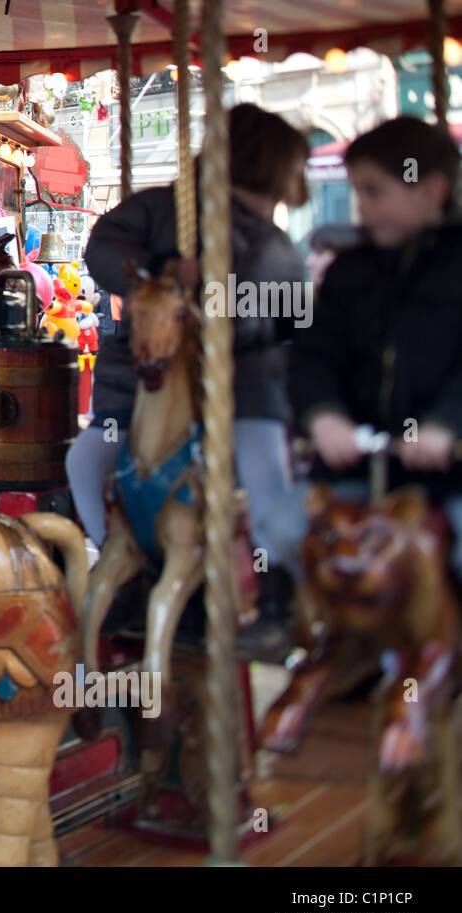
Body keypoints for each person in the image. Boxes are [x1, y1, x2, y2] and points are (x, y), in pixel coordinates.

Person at [71, 103, 310, 632]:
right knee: (87, 462)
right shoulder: (165, 210)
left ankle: (275, 602)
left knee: (268, 482)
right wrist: (159, 273)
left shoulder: (273, 245)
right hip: (144, 387)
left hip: (240, 392)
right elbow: (105, 246)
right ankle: (126, 567)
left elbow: (292, 326)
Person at [278, 116, 462, 576]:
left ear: (432, 190)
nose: (361, 206)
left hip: (449, 471)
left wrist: (444, 424)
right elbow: (313, 354)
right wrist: (323, 415)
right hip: (359, 466)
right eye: (357, 192)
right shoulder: (349, 272)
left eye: (375, 191)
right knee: (286, 533)